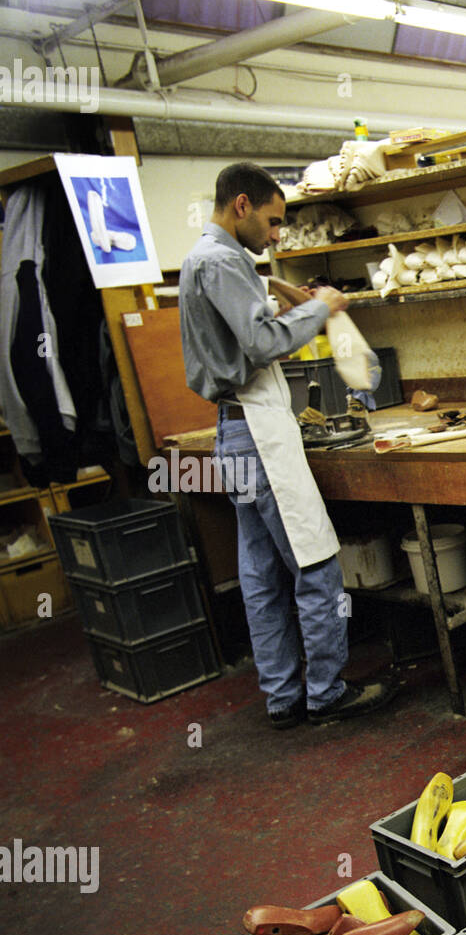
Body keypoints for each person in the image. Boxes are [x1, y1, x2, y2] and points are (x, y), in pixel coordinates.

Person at [179, 162, 395, 728]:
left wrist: (275, 286)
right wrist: (324, 310)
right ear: (242, 205)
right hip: (259, 430)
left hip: (235, 429)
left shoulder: (208, 258)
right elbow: (262, 340)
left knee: (262, 575)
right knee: (316, 562)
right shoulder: (223, 260)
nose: (278, 234)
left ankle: (282, 698)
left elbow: (245, 322)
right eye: (274, 222)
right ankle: (325, 693)